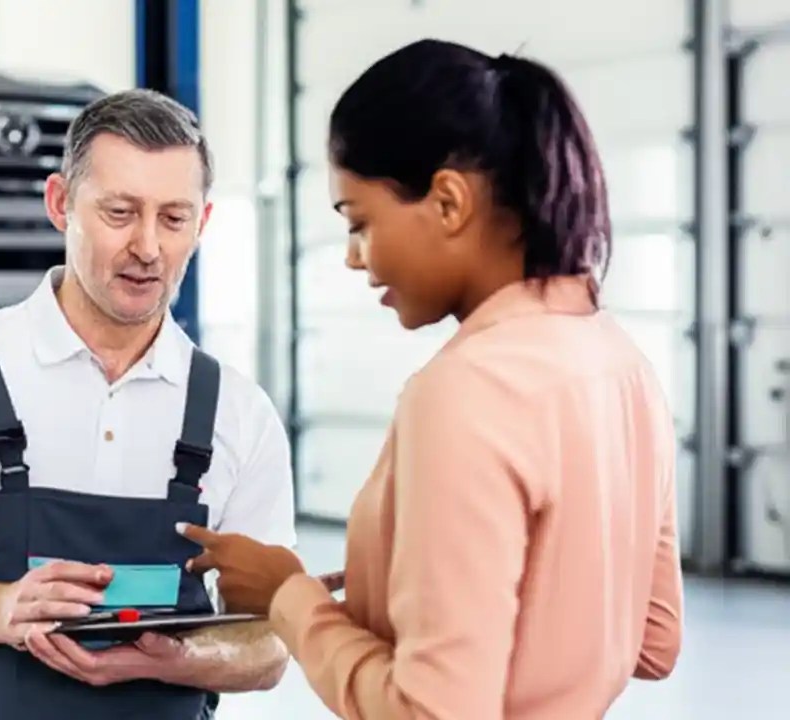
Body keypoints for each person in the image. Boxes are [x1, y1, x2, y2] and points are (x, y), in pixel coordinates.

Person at [179, 39, 685, 719]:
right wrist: (386, 592)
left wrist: (288, 598)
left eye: (360, 223)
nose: (356, 260)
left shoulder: (466, 393)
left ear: (448, 201)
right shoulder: (622, 364)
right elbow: (653, 640)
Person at [0, 88, 296, 719]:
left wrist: (179, 660)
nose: (148, 247)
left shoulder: (237, 414)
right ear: (60, 204)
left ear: (203, 224)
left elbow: (269, 643)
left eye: (173, 218)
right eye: (120, 212)